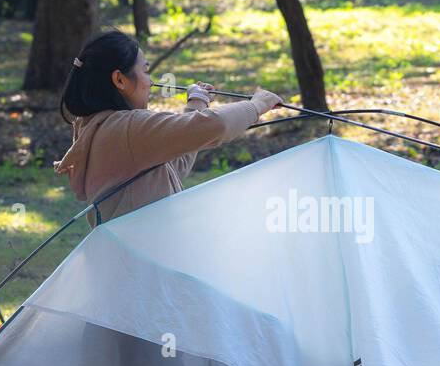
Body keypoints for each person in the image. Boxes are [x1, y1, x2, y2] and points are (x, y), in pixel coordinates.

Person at [53, 28, 282, 223]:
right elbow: (216, 125)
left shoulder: (103, 127)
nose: (150, 81)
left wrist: (197, 104)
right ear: (120, 80)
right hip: (140, 266)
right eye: (145, 70)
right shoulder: (127, 129)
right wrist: (257, 105)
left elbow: (175, 164)